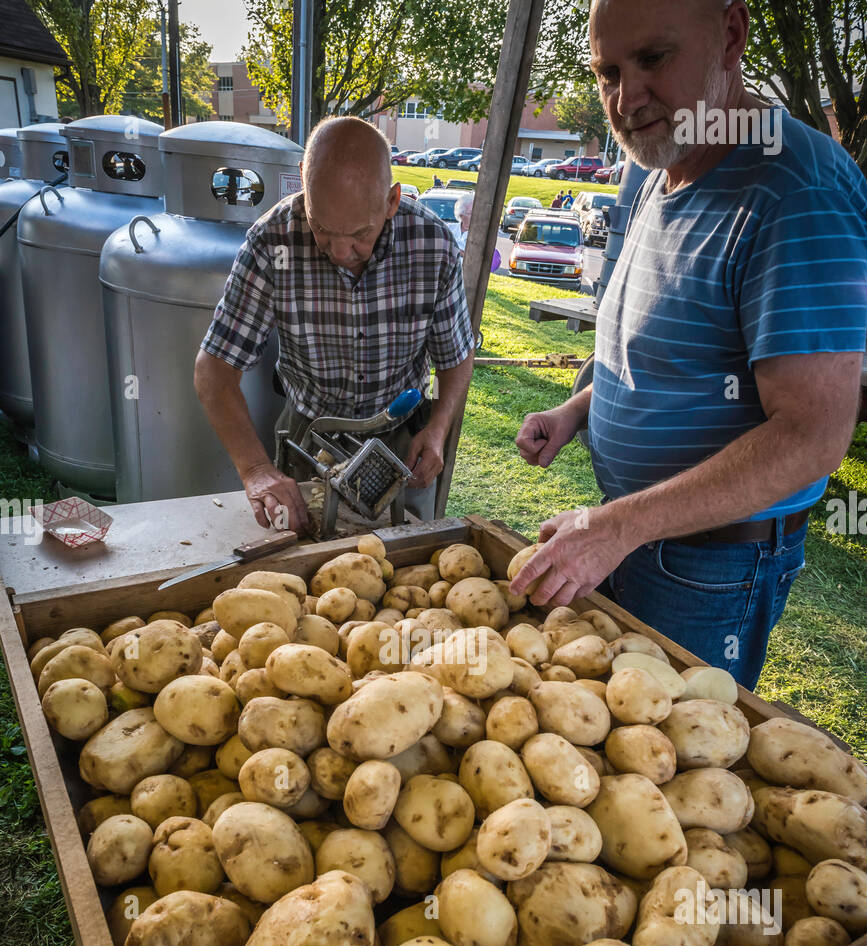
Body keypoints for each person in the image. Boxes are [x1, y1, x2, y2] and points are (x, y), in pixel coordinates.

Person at [510, 0, 867, 690]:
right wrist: (578, 409)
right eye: (606, 71)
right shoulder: (654, 163)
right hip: (627, 534)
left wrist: (617, 527)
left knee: (674, 774)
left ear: (730, 34)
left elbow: (811, 436)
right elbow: (662, 348)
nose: (625, 97)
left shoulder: (795, 188)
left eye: (651, 59)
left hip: (709, 571)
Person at [195, 116, 475, 532]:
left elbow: (456, 358)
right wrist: (255, 469)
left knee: (407, 567)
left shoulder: (433, 246)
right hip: (309, 438)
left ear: (392, 201)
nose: (340, 251)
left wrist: (436, 432)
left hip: (402, 440)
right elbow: (213, 372)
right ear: (306, 196)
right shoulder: (272, 242)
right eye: (322, 229)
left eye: (360, 233)